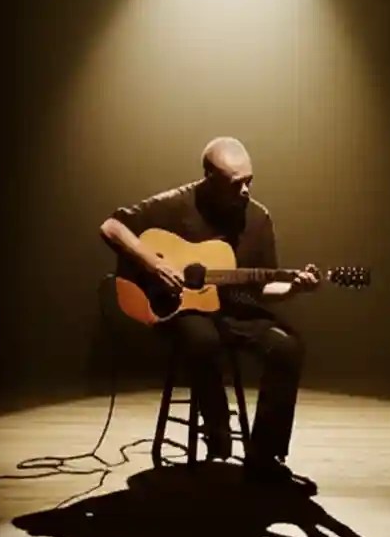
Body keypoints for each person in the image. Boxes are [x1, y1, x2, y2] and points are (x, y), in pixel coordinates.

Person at [99, 137, 320, 482]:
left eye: (250, 181)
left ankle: (265, 455)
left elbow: (263, 289)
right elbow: (111, 227)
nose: (245, 191)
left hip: (235, 309)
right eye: (236, 184)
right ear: (209, 178)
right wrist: (154, 266)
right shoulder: (178, 203)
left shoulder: (259, 219)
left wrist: (293, 287)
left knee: (288, 346)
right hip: (183, 309)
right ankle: (216, 424)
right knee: (202, 338)